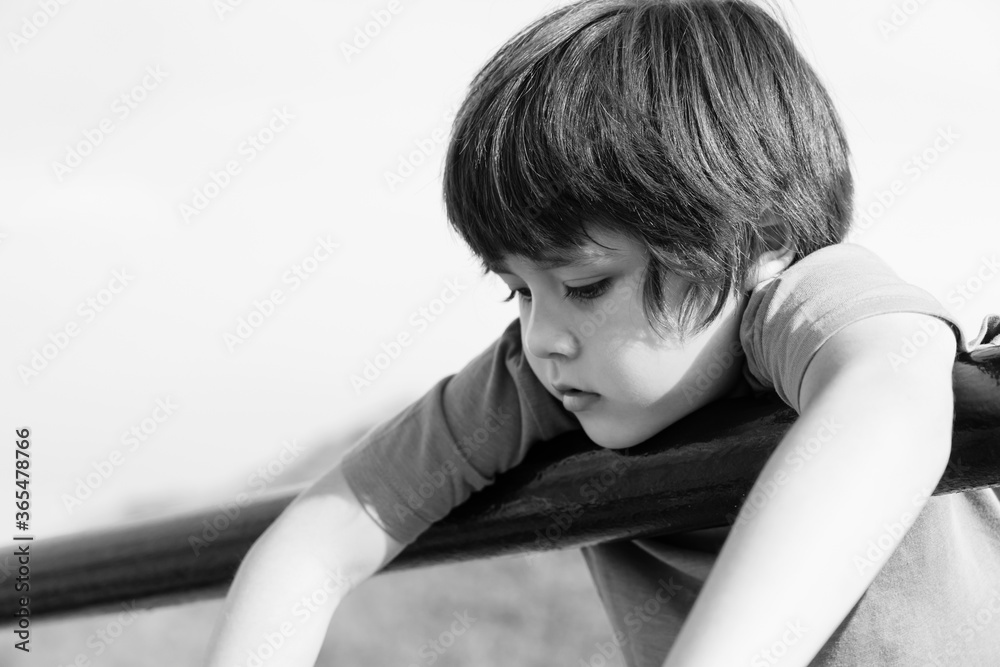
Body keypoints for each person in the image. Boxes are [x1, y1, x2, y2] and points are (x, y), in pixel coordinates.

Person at [203, 1, 1000, 665]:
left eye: (584, 284)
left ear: (754, 246)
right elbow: (314, 543)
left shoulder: (800, 299)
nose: (542, 335)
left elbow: (890, 388)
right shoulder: (539, 374)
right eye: (516, 290)